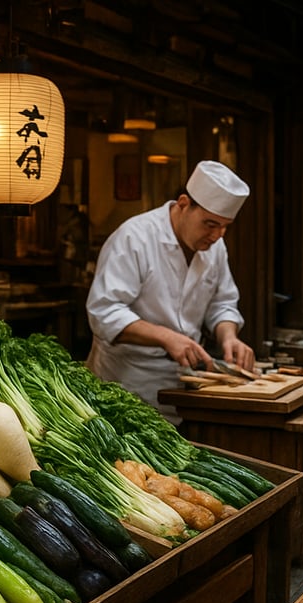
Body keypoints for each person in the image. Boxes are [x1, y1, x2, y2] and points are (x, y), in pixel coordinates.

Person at [86, 160, 255, 423]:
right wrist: (166, 337)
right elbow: (104, 312)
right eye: (210, 224)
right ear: (184, 204)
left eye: (225, 226)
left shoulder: (215, 247)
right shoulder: (135, 237)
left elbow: (222, 303)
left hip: (184, 386)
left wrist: (229, 337)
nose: (217, 235)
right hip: (125, 387)